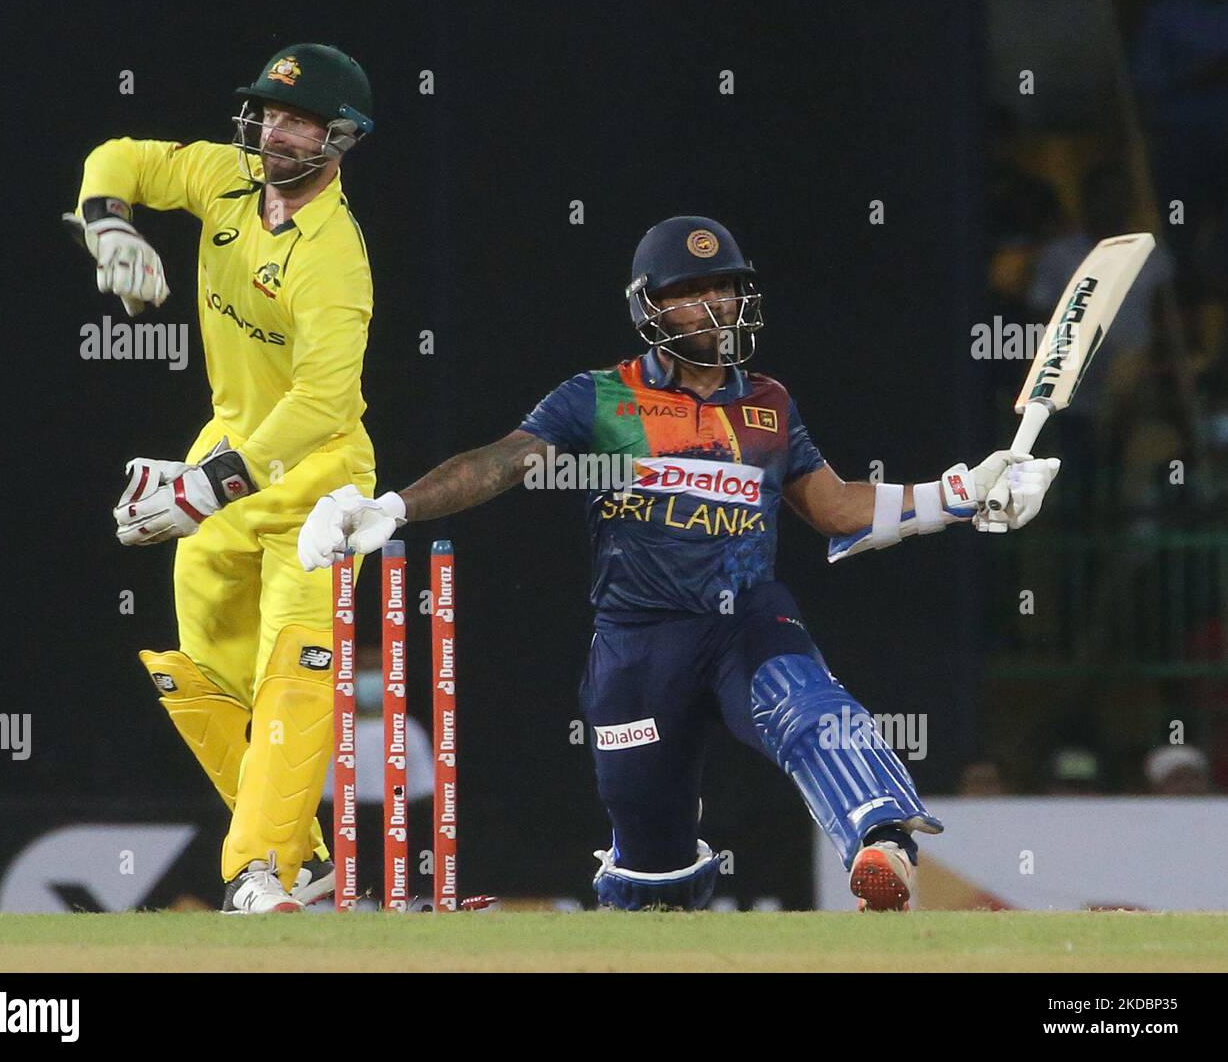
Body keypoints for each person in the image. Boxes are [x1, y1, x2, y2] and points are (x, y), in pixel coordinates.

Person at [299, 216, 1060, 911]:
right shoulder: (600, 397)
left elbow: (834, 508)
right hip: (637, 643)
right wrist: (395, 506)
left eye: (726, 287)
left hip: (745, 620)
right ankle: (656, 901)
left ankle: (882, 841)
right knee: (651, 862)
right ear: (652, 309)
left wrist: (962, 492)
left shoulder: (769, 403)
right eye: (693, 292)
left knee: (808, 704)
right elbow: (504, 462)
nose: (718, 303)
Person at [65, 43, 378, 913]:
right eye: (268, 113)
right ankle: (305, 862)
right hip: (227, 451)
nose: (273, 132)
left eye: (297, 120)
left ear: (340, 137)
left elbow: (323, 400)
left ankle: (257, 871)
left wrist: (208, 487)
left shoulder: (334, 260)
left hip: (320, 484)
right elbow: (118, 156)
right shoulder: (226, 179)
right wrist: (110, 221)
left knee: (295, 671)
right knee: (199, 675)